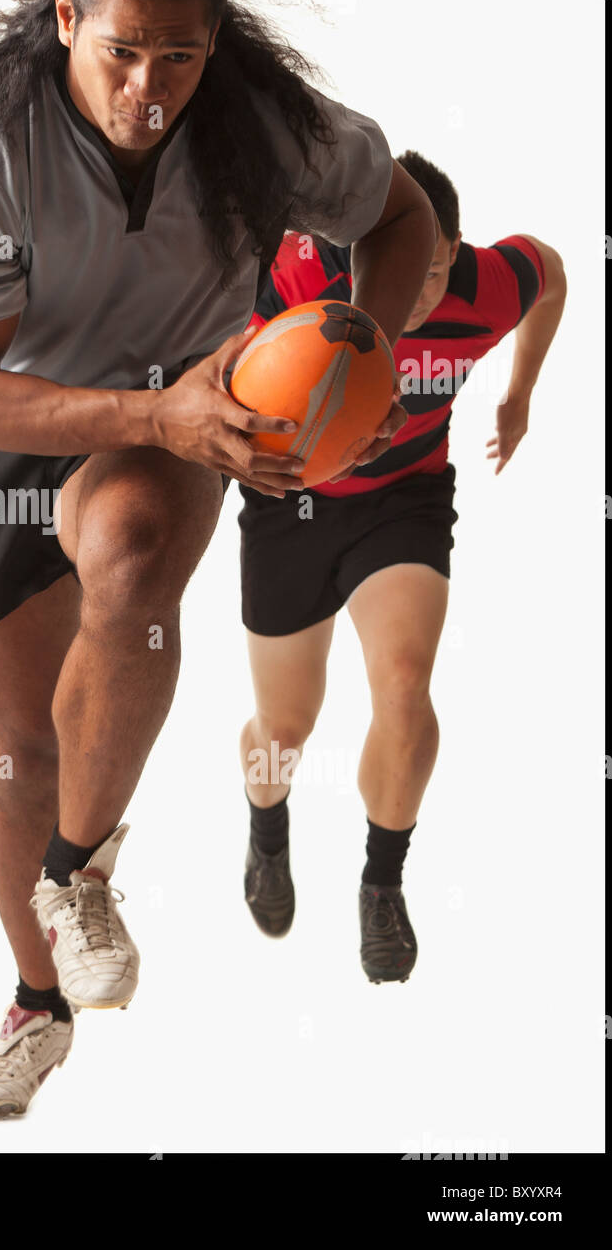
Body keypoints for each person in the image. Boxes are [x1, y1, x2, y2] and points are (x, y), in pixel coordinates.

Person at [0, 0, 433, 1115]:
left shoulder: (266, 127)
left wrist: (364, 354)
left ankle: (75, 873)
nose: (148, 84)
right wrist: (148, 416)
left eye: (179, 55)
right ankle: (39, 1004)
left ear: (214, 43)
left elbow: (399, 218)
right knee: (21, 749)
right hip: (2, 434)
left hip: (197, 400)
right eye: (121, 49)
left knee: (128, 554)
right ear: (67, 17)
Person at [236, 149, 566, 982]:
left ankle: (381, 880)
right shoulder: (296, 272)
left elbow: (551, 272)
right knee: (285, 730)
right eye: (400, 272)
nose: (417, 293)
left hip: (403, 502)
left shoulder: (488, 285)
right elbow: (225, 370)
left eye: (435, 269)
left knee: (404, 682)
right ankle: (266, 828)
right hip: (292, 505)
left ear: (453, 250)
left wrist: (519, 392)